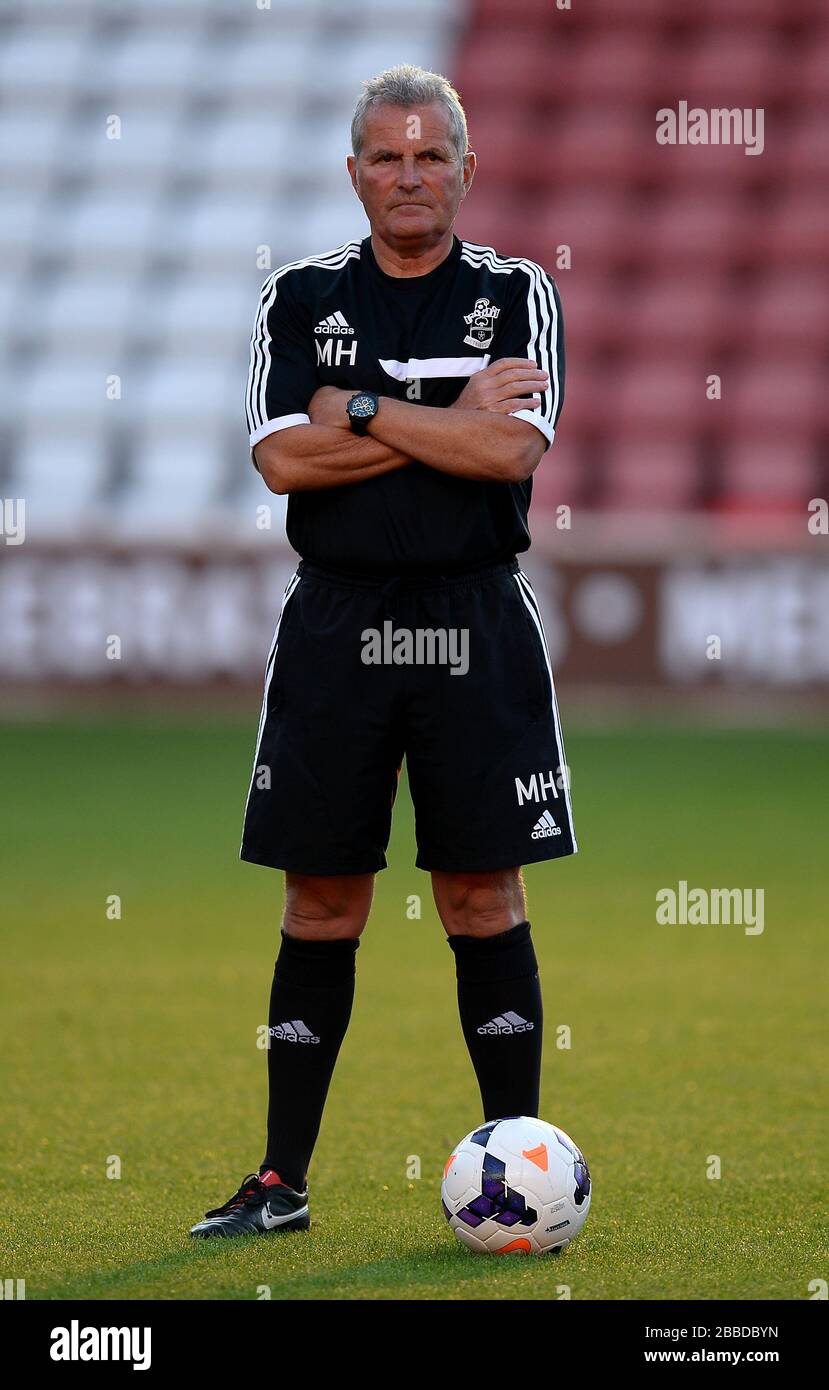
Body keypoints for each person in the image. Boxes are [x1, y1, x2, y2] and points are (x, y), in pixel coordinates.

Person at [190, 64, 575, 1240]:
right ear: (353, 173)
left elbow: (510, 454)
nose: (410, 175)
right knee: (321, 899)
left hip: (474, 618)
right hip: (337, 624)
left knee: (480, 892)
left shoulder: (515, 290)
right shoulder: (301, 296)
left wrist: (355, 408)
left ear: (467, 169)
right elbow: (280, 462)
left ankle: (519, 1173)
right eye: (387, 157)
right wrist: (449, 420)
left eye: (430, 155)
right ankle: (280, 1183)